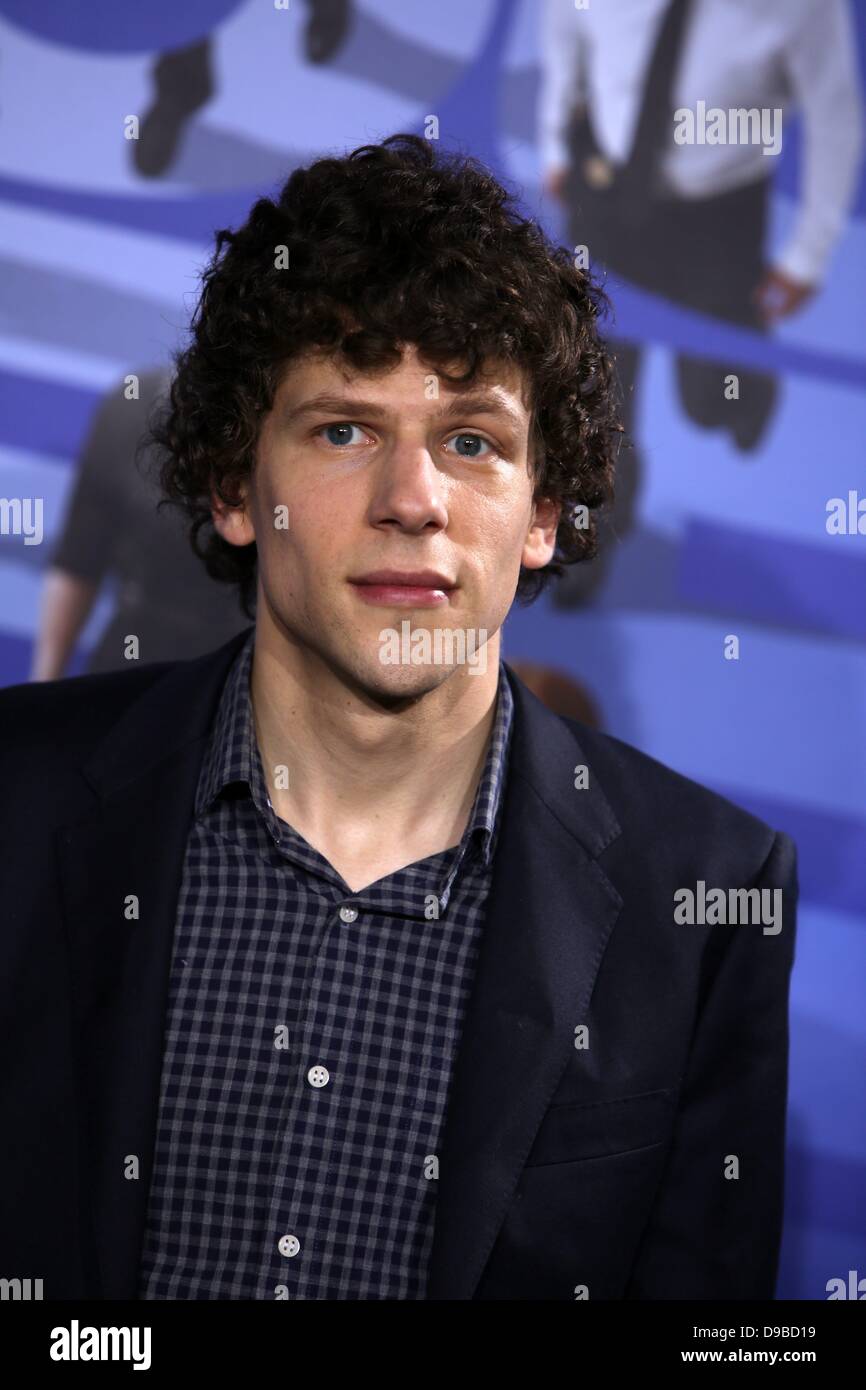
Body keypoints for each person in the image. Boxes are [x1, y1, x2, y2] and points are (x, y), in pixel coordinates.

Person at [0, 134, 797, 1301]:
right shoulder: (17, 799)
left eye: (471, 442)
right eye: (343, 430)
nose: (411, 499)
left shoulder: (704, 899)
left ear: (542, 514)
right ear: (234, 486)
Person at [539, 0, 864, 605]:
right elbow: (566, 32)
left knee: (712, 399)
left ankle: (746, 390)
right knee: (593, 384)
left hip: (720, 217)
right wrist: (557, 142)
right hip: (608, 197)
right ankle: (594, 532)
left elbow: (834, 109)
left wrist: (808, 254)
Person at [30, 367, 250, 679]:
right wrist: (45, 686)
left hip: (240, 667)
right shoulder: (130, 406)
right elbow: (78, 560)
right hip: (133, 662)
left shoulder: (283, 419)